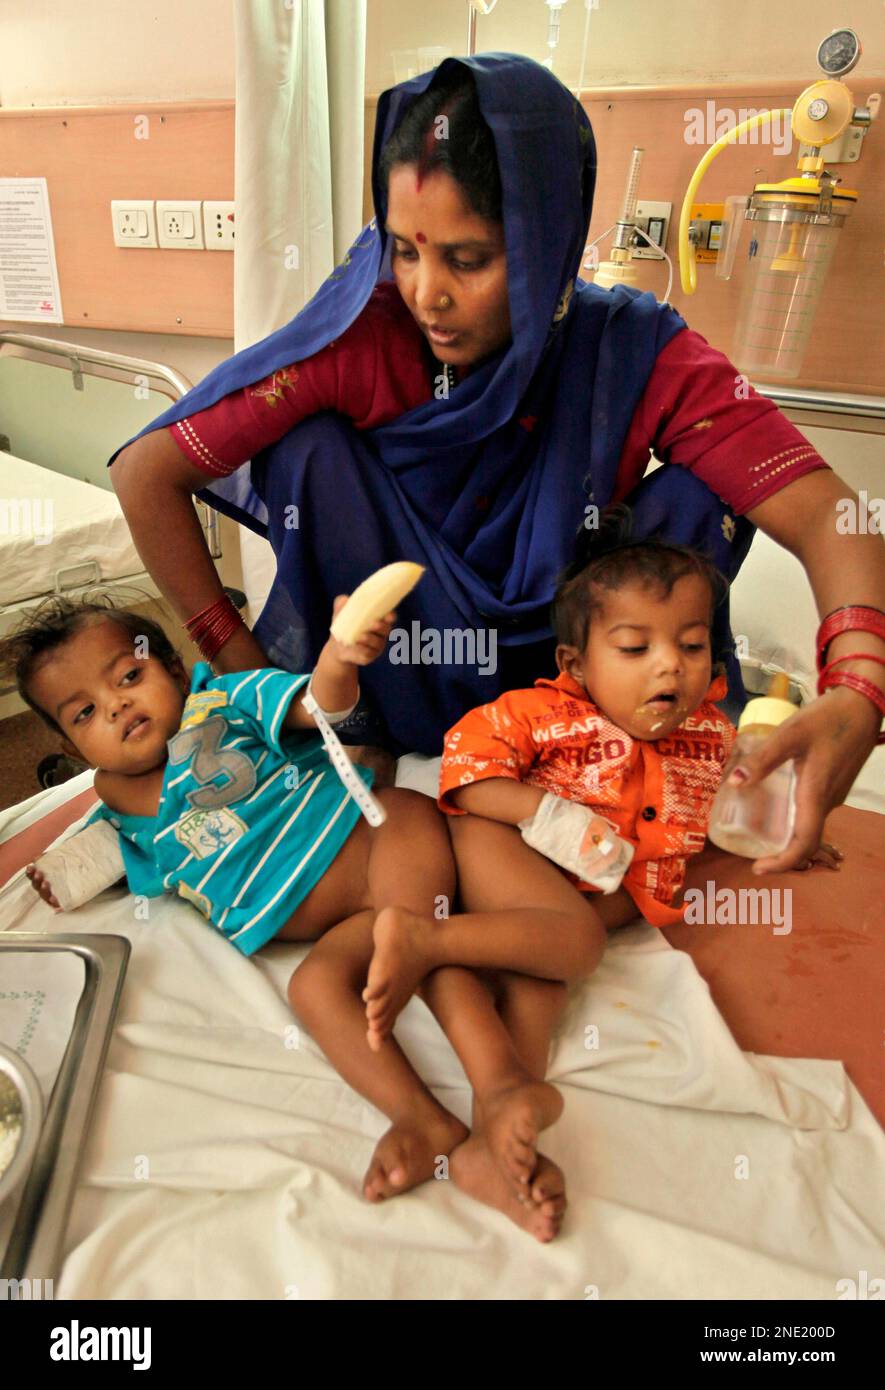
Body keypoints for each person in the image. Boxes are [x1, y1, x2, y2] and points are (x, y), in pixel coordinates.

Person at [105, 58, 884, 876]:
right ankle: (391, 741)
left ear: (550, 247)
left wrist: (857, 691)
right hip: (398, 669)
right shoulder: (357, 336)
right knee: (310, 449)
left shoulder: (629, 350)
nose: (425, 294)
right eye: (404, 249)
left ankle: (624, 761)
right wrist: (250, 677)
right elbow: (145, 475)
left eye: (468, 260)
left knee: (701, 495)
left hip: (576, 683)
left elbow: (832, 515)